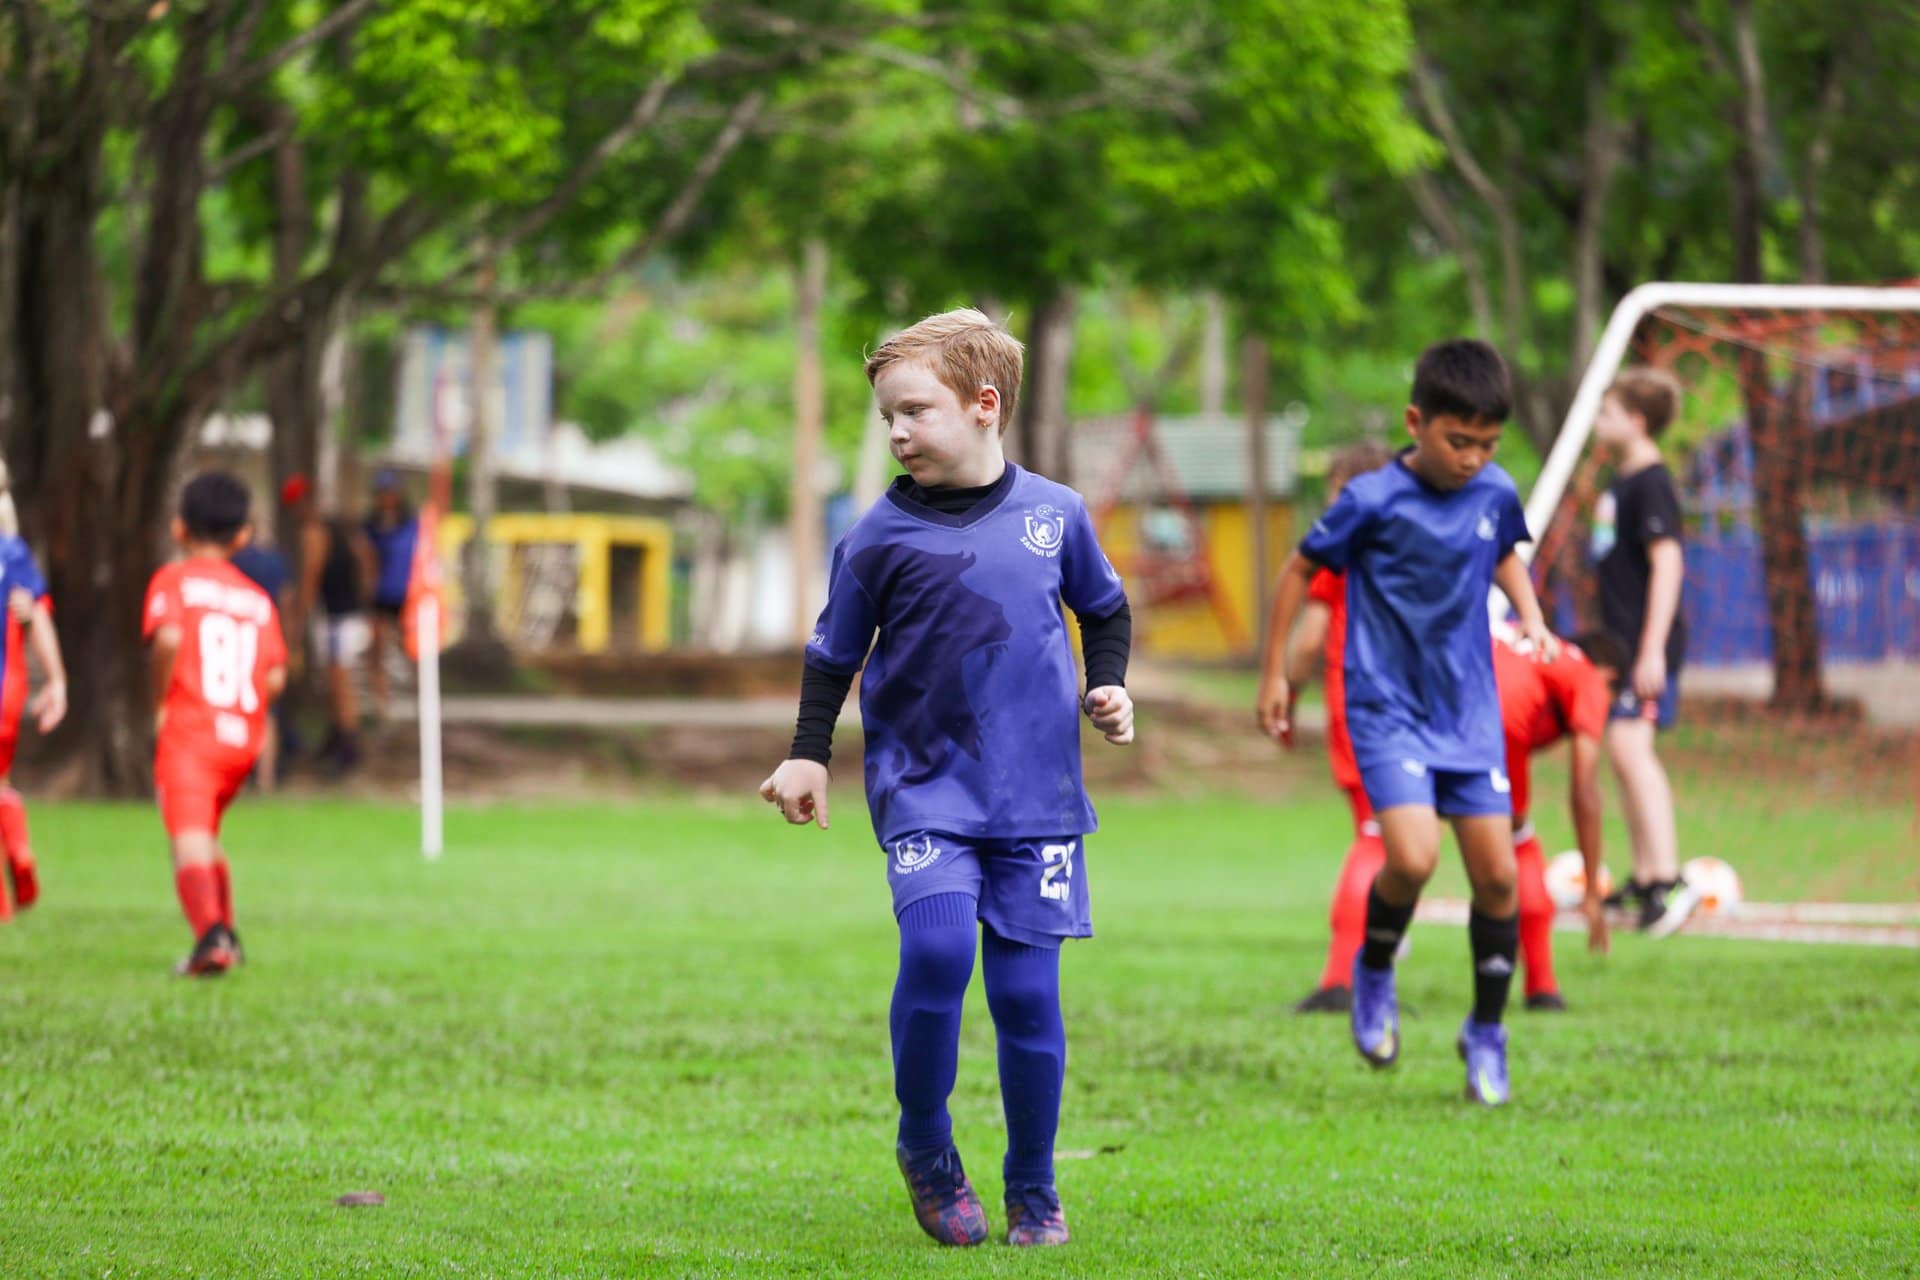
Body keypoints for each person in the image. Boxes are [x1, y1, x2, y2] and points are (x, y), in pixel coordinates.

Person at [758, 309, 1134, 1248]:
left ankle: (1034, 1189)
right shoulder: (877, 534)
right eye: (887, 416)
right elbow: (830, 654)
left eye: (913, 412)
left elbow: (1106, 608)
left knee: (1025, 999)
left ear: (984, 405)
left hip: (1037, 799)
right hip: (926, 787)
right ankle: (926, 1147)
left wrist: (1109, 686)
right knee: (934, 954)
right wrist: (809, 751)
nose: (896, 433)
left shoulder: (1057, 514)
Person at [1257, 338, 1553, 1107]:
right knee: (1413, 858)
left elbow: (1505, 551)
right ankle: (1376, 969)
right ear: (1416, 422)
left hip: (1469, 710)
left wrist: (1532, 616)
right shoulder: (1372, 499)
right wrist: (1274, 676)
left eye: (1487, 444)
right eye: (1459, 441)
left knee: (1497, 878)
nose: (1472, 458)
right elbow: (1298, 570)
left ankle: (1486, 1031)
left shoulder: (1493, 492)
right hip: (1385, 708)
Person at [1263, 442, 1392, 1014]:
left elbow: (1311, 639)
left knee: (1380, 836)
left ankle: (1361, 959)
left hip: (1357, 706)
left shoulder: (1340, 552)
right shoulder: (1401, 544)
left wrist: (1288, 692)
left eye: (1334, 493)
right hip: (1399, 711)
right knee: (1379, 837)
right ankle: (1343, 976)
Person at [144, 471, 288, 976]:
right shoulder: (256, 598)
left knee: (187, 833)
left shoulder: (175, 580)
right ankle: (227, 932)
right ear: (242, 536)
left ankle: (210, 940)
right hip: (241, 738)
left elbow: (166, 640)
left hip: (192, 730)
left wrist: (162, 700)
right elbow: (275, 675)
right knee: (206, 831)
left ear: (179, 528)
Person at [1591, 367, 1699, 938]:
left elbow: (1668, 564)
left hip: (1644, 648)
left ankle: (1668, 880)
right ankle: (1643, 875)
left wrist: (1652, 649)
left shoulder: (1653, 482)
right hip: (1619, 646)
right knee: (1620, 753)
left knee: (1634, 752)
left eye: (1606, 412)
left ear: (1635, 421)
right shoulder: (1620, 482)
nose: (1597, 422)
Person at [1493, 627, 1627, 1008]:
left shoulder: (1529, 651)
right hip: (1496, 716)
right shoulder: (1589, 677)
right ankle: (1540, 986)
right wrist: (1590, 892)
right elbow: (1584, 789)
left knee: (1386, 836)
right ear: (1610, 677)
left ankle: (1358, 975)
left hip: (1435, 697)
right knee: (1514, 843)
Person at [0, 461, 68, 920]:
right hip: (8, 687)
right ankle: (17, 842)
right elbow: (37, 614)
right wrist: (58, 680)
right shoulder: (11, 551)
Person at [286, 474, 374, 772]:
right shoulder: (342, 528)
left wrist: (297, 624)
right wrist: (364, 598)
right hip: (347, 614)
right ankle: (337, 739)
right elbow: (367, 560)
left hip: (340, 617)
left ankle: (349, 747)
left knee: (340, 683)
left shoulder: (314, 532)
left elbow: (310, 579)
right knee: (335, 682)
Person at [231, 523, 292, 791]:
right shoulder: (275, 561)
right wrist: (290, 638)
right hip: (269, 636)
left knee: (235, 707)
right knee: (268, 710)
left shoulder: (233, 562)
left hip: (236, 639)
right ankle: (265, 778)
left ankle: (239, 776)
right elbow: (288, 599)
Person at [363, 469, 419, 722]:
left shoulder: (411, 525)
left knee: (412, 649)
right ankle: (381, 704)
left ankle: (419, 700)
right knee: (377, 650)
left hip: (406, 595)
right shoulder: (370, 528)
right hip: (380, 596)